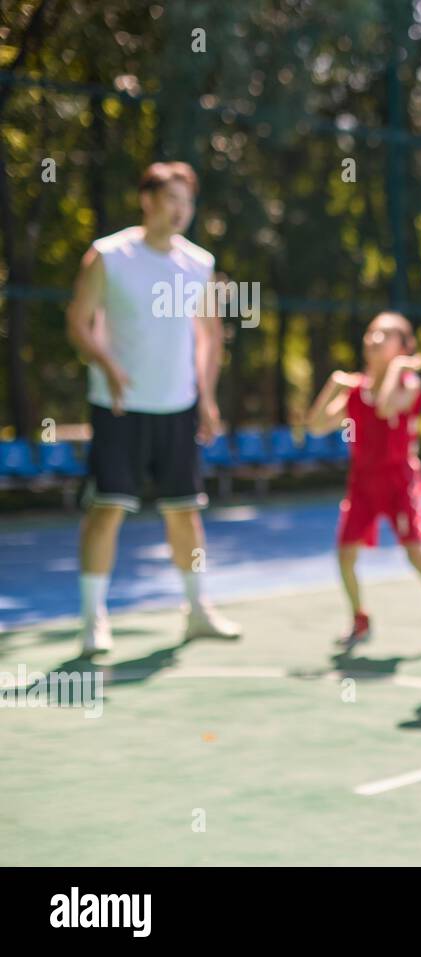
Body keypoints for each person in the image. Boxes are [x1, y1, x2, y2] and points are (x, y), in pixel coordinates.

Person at [65, 161, 240, 655]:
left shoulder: (198, 263)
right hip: (119, 406)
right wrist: (108, 365)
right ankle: (92, 620)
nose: (181, 210)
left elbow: (208, 335)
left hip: (178, 406)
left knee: (185, 513)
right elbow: (78, 321)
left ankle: (197, 610)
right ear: (147, 199)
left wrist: (205, 397)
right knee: (107, 509)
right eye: (172, 199)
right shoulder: (108, 255)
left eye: (188, 201)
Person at [305, 311, 421, 650]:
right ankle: (360, 619)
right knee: (345, 553)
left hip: (398, 481)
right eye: (371, 333)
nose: (373, 339)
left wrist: (394, 369)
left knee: (414, 554)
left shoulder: (410, 383)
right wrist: (333, 385)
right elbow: (317, 425)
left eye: (384, 335)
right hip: (362, 483)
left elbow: (383, 406)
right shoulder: (354, 390)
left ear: (404, 346)